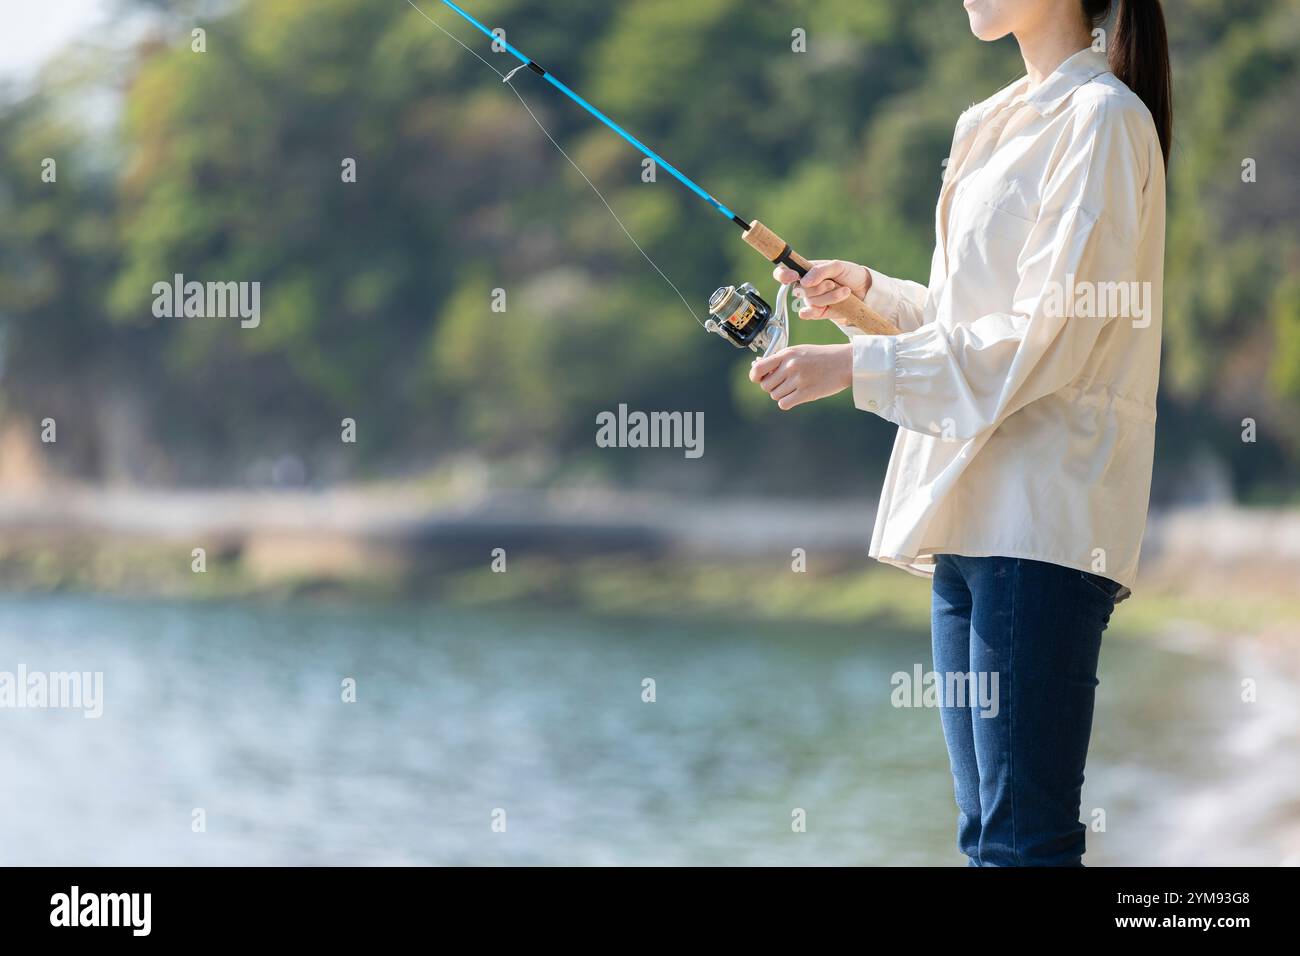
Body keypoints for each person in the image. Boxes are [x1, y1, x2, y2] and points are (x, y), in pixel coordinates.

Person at [749, 0, 1171, 866]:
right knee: (987, 839)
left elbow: (1042, 338)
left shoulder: (1102, 120)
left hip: (1040, 520)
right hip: (966, 515)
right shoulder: (988, 122)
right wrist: (866, 293)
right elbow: (965, 318)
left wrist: (852, 370)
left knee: (1023, 842)